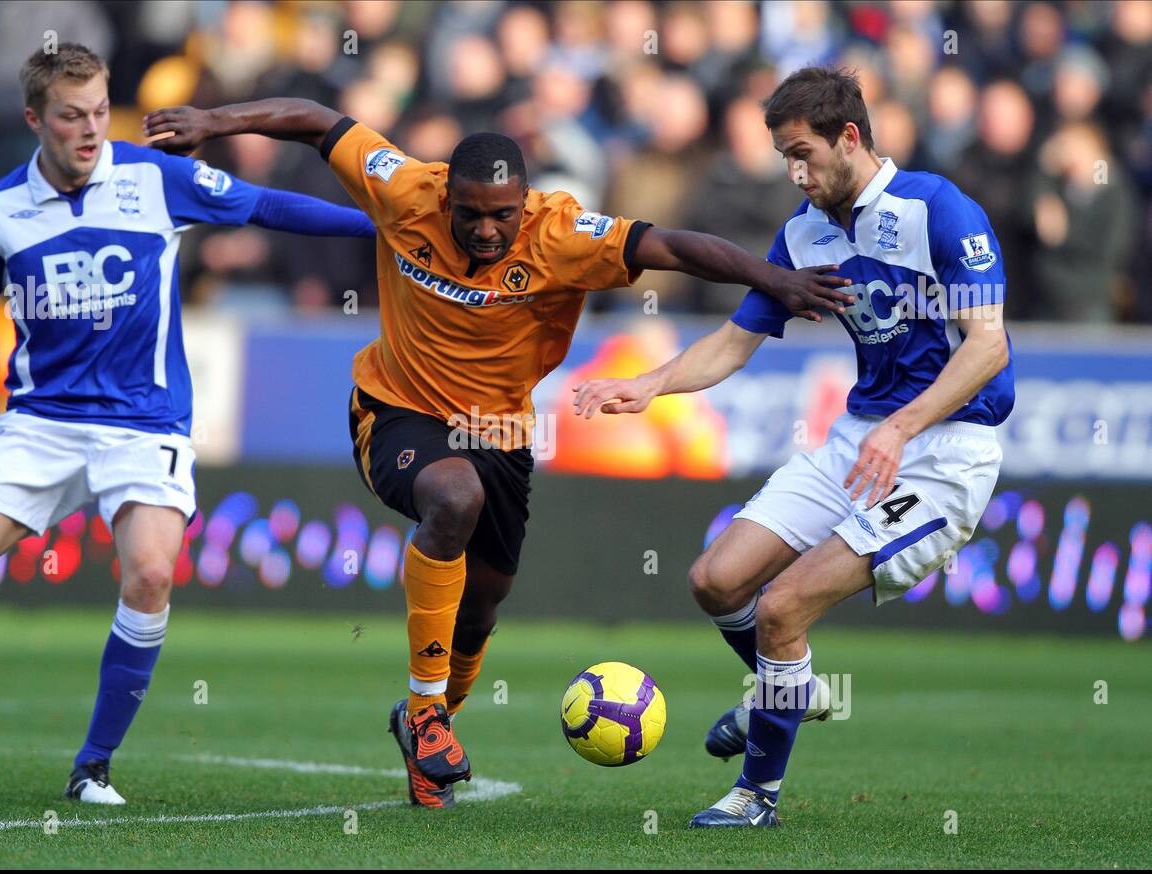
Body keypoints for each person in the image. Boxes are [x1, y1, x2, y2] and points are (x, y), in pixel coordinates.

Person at [141, 93, 852, 808]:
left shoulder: (564, 232)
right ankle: (424, 711)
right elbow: (316, 119)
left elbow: (673, 246)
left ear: (523, 203)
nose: (486, 229)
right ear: (445, 194)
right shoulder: (402, 186)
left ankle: (428, 727)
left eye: (502, 215)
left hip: (504, 432)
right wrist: (214, 122)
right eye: (470, 212)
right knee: (453, 496)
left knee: (481, 606)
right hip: (396, 409)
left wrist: (776, 279)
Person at [0, 43, 374, 804]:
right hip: (40, 423)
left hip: (143, 423)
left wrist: (381, 228)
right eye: (72, 116)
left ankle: (92, 765)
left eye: (100, 110)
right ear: (35, 119)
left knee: (153, 573)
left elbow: (264, 207)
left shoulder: (154, 177)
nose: (91, 129)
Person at [574, 67, 1013, 828]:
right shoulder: (804, 232)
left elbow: (990, 345)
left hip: (946, 456)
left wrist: (901, 425)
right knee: (716, 578)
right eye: (784, 156)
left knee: (781, 606)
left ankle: (755, 796)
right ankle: (794, 688)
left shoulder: (937, 209)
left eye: (803, 152)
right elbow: (736, 339)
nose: (794, 171)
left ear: (850, 137)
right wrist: (652, 383)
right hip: (858, 441)